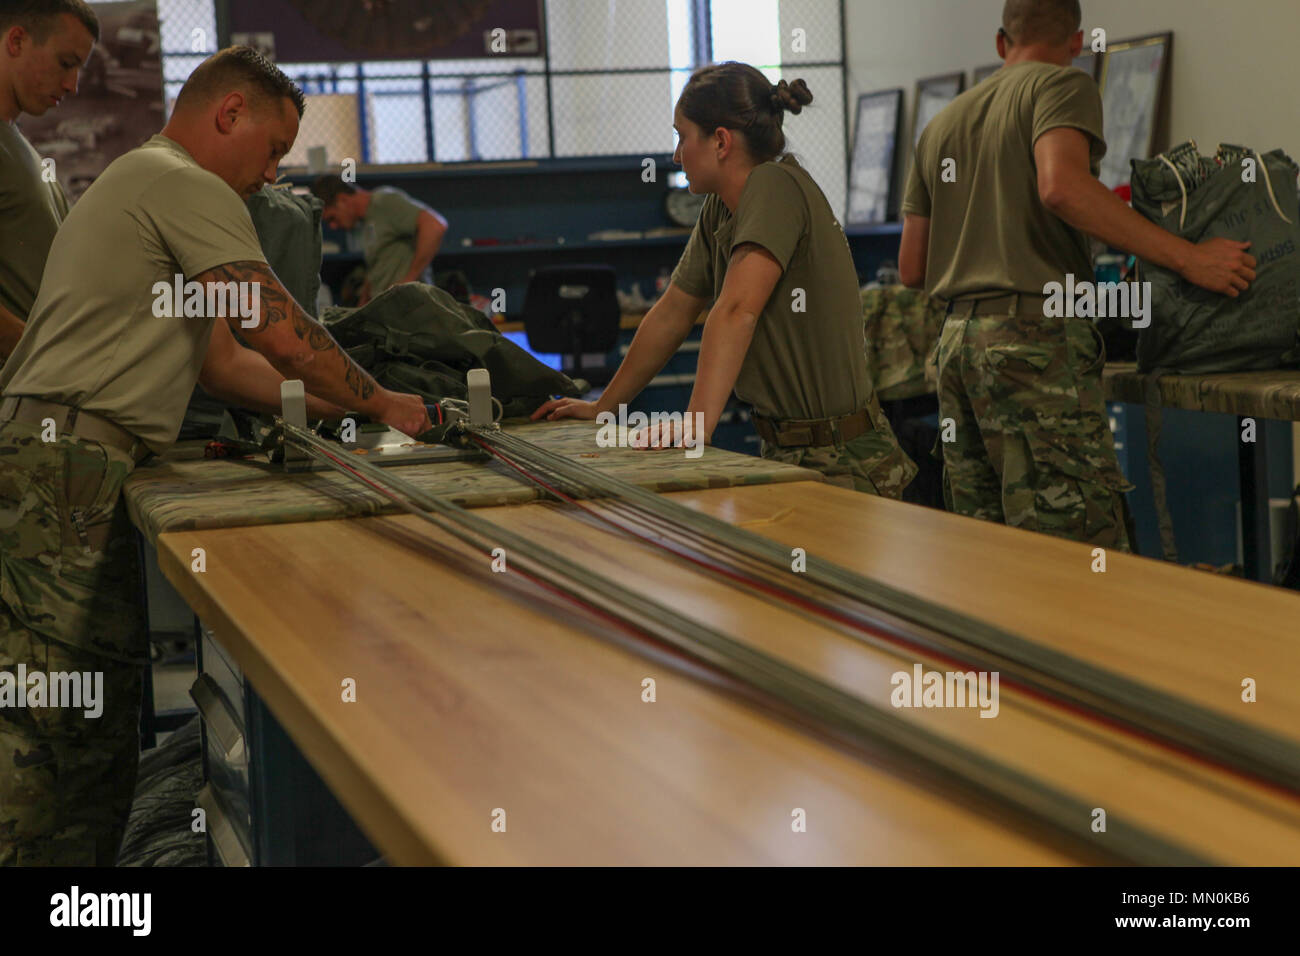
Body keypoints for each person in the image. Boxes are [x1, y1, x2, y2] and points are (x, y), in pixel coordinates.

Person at [0, 46, 430, 866]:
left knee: (89, 721)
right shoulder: (182, 183)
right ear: (228, 113)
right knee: (52, 735)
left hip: (65, 466)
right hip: (61, 470)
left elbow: (229, 363)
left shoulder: (148, 182)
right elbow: (280, 331)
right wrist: (385, 404)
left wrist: (340, 410)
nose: (272, 176)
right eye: (270, 149)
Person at [899, 0, 1254, 548]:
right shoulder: (1064, 86)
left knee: (987, 550)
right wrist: (1190, 257)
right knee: (1074, 546)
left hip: (955, 349)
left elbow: (912, 267)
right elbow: (1061, 187)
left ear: (1000, 43)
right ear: (1077, 42)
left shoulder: (942, 122)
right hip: (1032, 345)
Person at [534, 62, 916, 496]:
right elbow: (673, 312)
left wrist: (696, 424)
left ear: (720, 141)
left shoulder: (774, 184)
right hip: (790, 450)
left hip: (846, 460)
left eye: (682, 136)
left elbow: (736, 309)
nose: (677, 155)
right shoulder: (722, 207)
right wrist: (605, 408)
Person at [0, 0, 97, 361]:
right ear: (17, 41)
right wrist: (45, 357)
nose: (72, 85)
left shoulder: (19, 143)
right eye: (65, 63)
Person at [310, 175, 448, 305]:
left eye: (332, 218)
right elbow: (380, 265)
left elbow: (434, 226)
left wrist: (410, 279)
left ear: (343, 200)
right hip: (388, 311)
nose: (333, 226)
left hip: (411, 308)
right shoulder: (365, 222)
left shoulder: (385, 202)